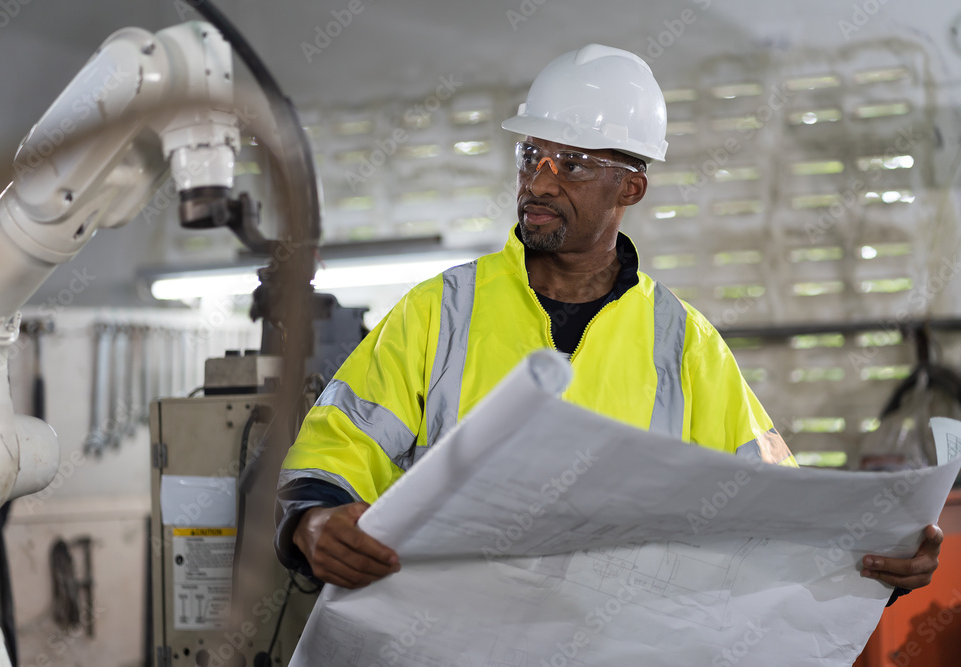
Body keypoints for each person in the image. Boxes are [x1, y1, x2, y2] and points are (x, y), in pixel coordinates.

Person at [274, 44, 941, 601]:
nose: (538, 180)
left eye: (572, 163)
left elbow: (777, 505)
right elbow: (338, 444)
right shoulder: (438, 312)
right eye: (531, 154)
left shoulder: (686, 345)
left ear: (630, 188)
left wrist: (880, 552)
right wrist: (314, 520)